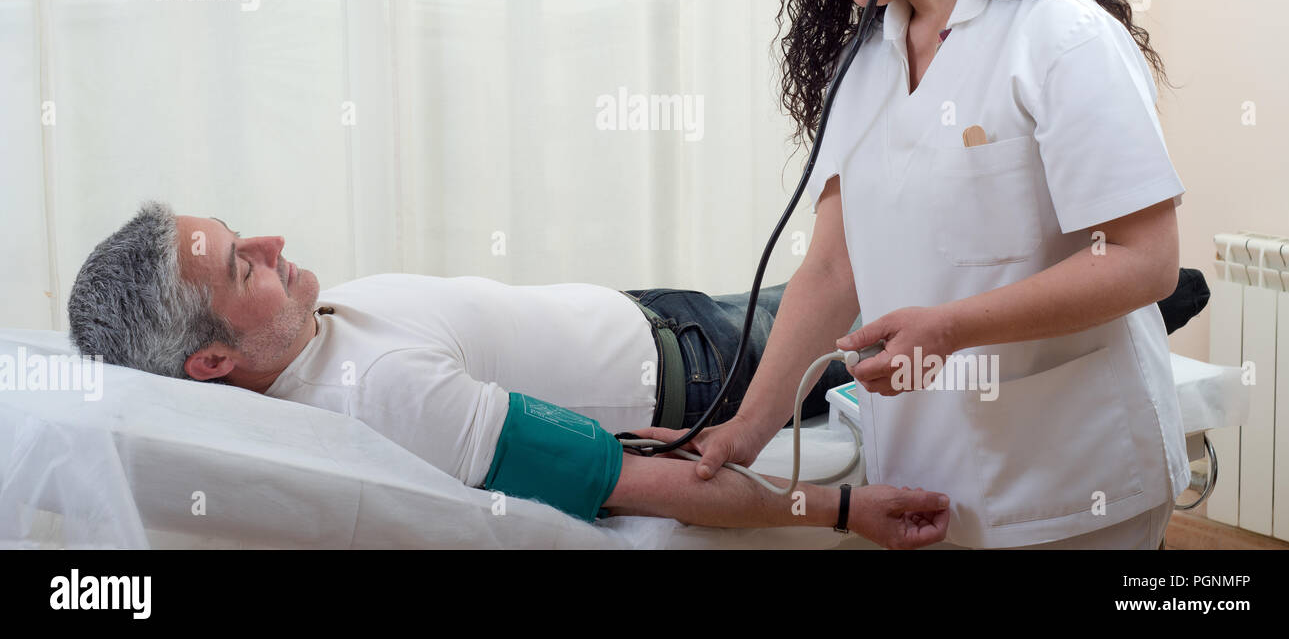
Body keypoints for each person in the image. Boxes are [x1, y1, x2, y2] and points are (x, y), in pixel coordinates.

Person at [655, 0, 1189, 549]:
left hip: (1076, 483)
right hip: (921, 480)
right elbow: (833, 271)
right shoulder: (867, 64)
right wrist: (744, 429)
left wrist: (952, 328)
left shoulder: (1058, 38)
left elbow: (1145, 261)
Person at [66, 200, 950, 548]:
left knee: (897, 246)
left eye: (236, 229)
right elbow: (644, 481)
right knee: (925, 262)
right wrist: (842, 510)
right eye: (241, 266)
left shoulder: (299, 343)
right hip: (712, 369)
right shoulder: (385, 398)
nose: (271, 243)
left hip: (664, 315)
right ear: (213, 362)